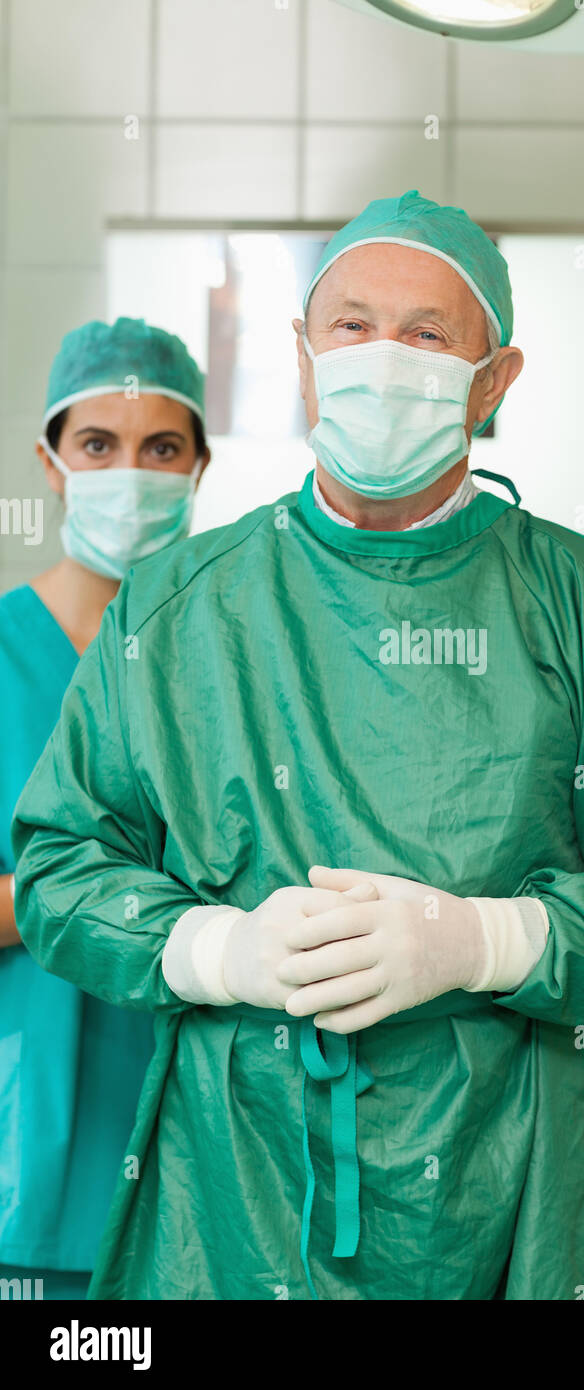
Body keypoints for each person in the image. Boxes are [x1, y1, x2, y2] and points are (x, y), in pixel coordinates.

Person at [12, 192, 584, 1302]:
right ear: (302, 361)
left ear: (493, 381)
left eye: (427, 334)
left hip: (502, 1180)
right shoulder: (175, 606)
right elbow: (62, 870)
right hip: (231, 1181)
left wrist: (489, 941)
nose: (381, 360)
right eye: (350, 327)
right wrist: (217, 950)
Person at [0, 317, 209, 1299]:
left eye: (161, 447)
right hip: (27, 1152)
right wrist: (103, 902)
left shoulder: (228, 664)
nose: (131, 473)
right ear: (50, 461)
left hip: (205, 1151)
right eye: (98, 445)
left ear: (201, 462)